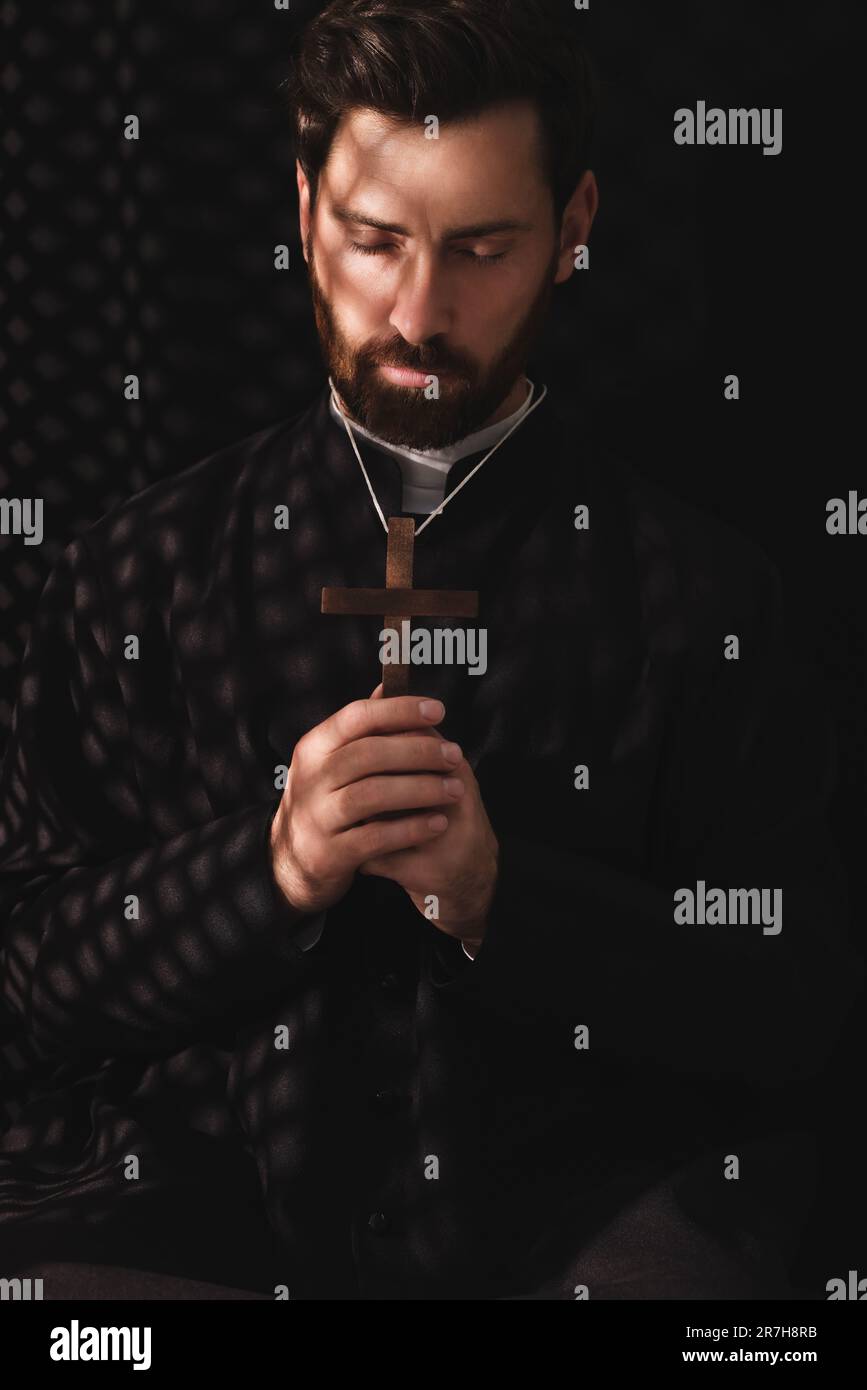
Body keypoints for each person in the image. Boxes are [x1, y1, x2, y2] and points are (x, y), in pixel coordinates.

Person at [0, 0, 859, 1300]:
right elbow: (23, 983)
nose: (416, 310)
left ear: (574, 226)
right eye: (372, 241)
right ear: (303, 212)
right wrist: (268, 866)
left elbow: (796, 1007)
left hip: (577, 1216)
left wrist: (502, 897)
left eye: (482, 248)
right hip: (172, 1221)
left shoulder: (710, 601)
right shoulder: (130, 573)